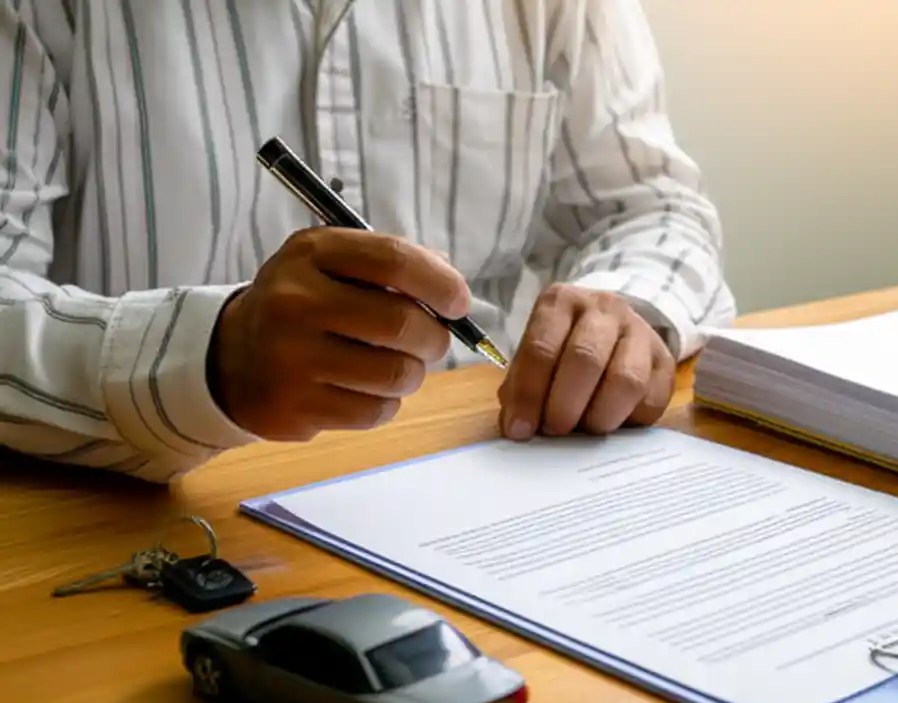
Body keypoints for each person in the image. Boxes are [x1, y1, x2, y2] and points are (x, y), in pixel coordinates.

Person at [0, 1, 734, 483]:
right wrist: (205, 360)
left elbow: (650, 207)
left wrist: (623, 312)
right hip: (149, 529)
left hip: (488, 483)